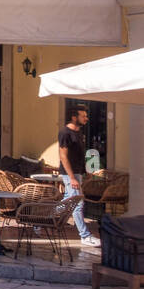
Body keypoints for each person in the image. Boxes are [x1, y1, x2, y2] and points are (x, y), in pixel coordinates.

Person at [58, 105, 100, 247]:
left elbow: (79, 154)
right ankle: (85, 235)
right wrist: (72, 177)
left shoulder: (79, 132)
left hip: (77, 172)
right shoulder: (65, 132)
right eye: (83, 116)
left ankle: (39, 219)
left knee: (66, 202)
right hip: (70, 174)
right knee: (78, 204)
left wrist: (85, 170)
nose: (86, 118)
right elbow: (63, 156)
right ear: (74, 117)